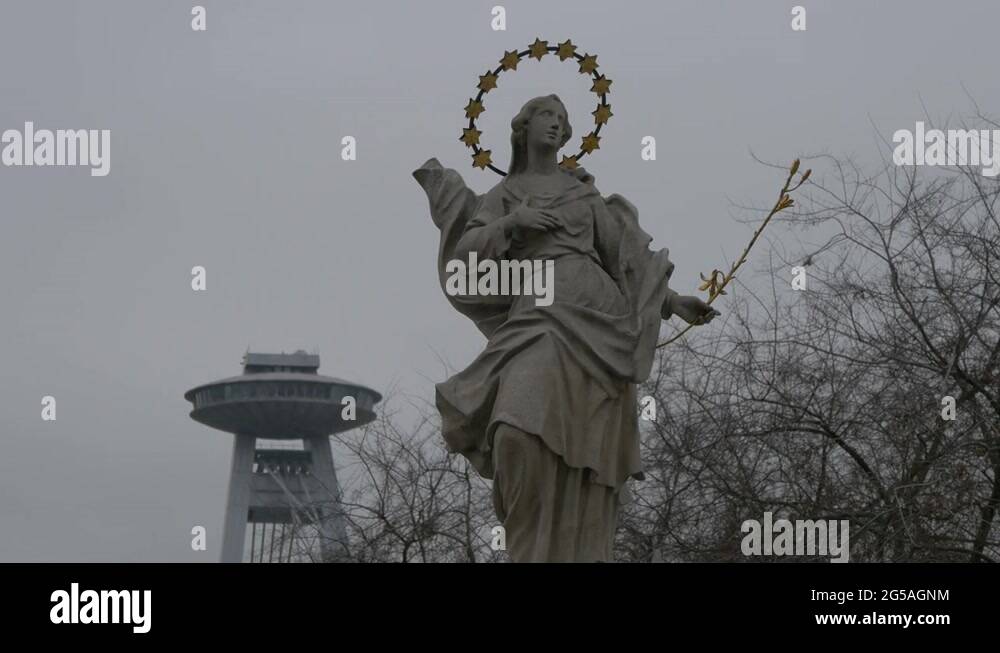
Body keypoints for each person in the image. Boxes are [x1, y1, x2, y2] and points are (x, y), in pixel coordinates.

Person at [414, 94, 718, 562]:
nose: (556, 126)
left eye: (563, 120)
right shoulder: (504, 197)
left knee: (585, 452)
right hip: (536, 315)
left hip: (598, 319)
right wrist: (513, 224)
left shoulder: (582, 194)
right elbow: (466, 259)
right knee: (514, 432)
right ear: (523, 128)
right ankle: (531, 550)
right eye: (546, 117)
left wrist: (672, 301)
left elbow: (624, 255)